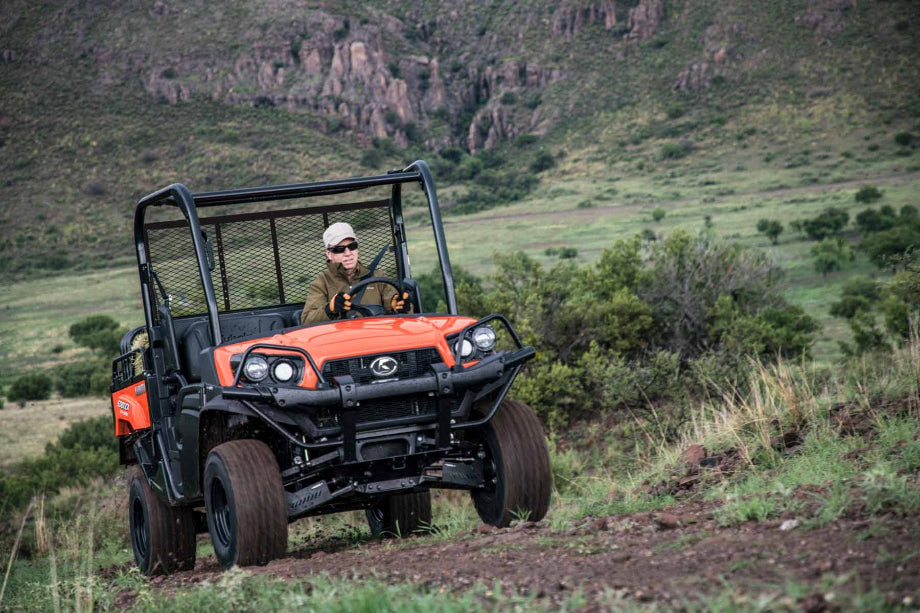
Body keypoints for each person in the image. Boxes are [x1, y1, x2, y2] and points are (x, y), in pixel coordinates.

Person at [300, 222, 411, 324]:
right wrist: (330, 309)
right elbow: (307, 320)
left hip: (377, 338)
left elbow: (400, 306)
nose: (348, 253)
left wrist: (398, 305)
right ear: (329, 254)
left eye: (352, 247)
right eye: (339, 249)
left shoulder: (378, 277)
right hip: (340, 341)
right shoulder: (321, 282)